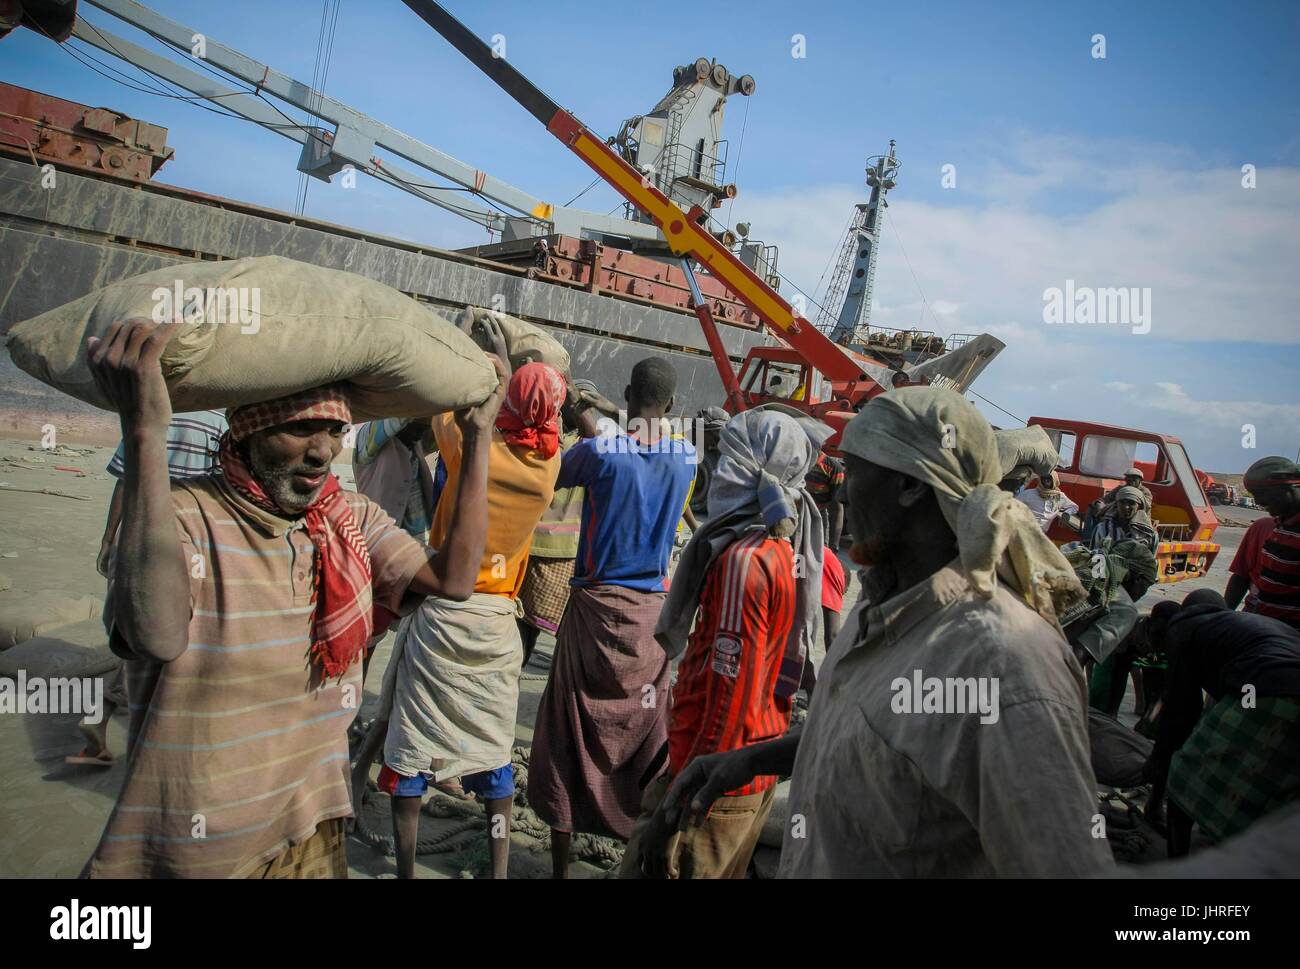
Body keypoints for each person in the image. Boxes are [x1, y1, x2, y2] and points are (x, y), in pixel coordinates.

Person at [82, 318, 502, 879]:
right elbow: (155, 635)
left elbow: (453, 579)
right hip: (201, 847)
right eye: (301, 429)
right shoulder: (184, 517)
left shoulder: (348, 519)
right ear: (248, 431)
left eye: (333, 432)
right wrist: (144, 436)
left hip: (313, 823)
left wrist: (476, 438)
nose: (322, 451)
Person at [646, 387, 1113, 877]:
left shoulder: (1006, 666)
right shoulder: (884, 603)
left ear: (910, 487)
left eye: (856, 472)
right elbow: (863, 730)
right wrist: (751, 759)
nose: (843, 491)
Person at [622, 406, 830, 878]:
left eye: (726, 458)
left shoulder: (743, 562)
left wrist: (679, 811)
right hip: (745, 767)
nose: (717, 470)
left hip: (712, 781)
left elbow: (728, 699)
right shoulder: (779, 544)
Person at [377, 361, 565, 880]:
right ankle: (500, 870)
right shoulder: (549, 468)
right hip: (499, 622)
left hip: (443, 611)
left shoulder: (471, 446)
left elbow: (443, 401)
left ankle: (407, 871)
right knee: (494, 751)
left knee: (410, 747)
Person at [528, 356, 696, 878]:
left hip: (595, 611)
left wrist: (582, 413)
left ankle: (559, 867)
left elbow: (551, 477)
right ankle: (635, 854)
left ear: (626, 394)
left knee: (565, 736)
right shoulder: (687, 456)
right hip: (654, 619)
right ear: (672, 406)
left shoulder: (602, 450)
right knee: (647, 741)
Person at [69, 408, 228, 768]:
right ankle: (130, 724)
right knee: (171, 640)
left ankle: (102, 715)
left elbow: (125, 481)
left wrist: (109, 538)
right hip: (183, 541)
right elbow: (219, 494)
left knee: (130, 632)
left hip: (135, 534)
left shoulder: (147, 416)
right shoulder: (219, 423)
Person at [1143, 590, 1300, 857]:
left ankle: (1178, 863)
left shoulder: (1182, 630)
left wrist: (1157, 780)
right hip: (1278, 684)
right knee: (1268, 782)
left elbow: (1180, 719)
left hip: (1271, 689)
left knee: (1185, 778)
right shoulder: (1233, 627)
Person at [515, 378, 611, 666]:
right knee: (532, 631)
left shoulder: (574, 443)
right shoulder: (555, 440)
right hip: (548, 549)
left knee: (547, 632)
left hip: (561, 551)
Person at [1225, 456, 1300, 630]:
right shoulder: (1277, 526)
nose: (1258, 502)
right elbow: (1242, 579)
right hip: (1261, 623)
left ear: (1289, 487)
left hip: (1286, 635)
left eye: (1262, 494)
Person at [684, 406, 728, 530]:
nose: (714, 444)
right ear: (702, 430)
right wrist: (694, 528)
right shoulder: (680, 452)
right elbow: (681, 498)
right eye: (715, 436)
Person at [1085, 485, 1157, 553]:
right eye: (1122, 502)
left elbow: (1150, 563)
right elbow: (1093, 557)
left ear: (1139, 507)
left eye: (1132, 503)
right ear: (1116, 505)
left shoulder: (1149, 535)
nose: (1126, 507)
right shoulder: (1102, 529)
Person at [805, 447, 846, 549]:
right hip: (795, 519)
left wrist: (834, 545)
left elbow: (837, 509)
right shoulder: (796, 462)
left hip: (818, 521)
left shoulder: (833, 468)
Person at [1015, 470, 1079, 534]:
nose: (1046, 480)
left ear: (1054, 480)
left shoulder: (1060, 497)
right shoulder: (1028, 494)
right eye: (1043, 478)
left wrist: (1067, 514)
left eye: (1049, 478)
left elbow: (1074, 507)